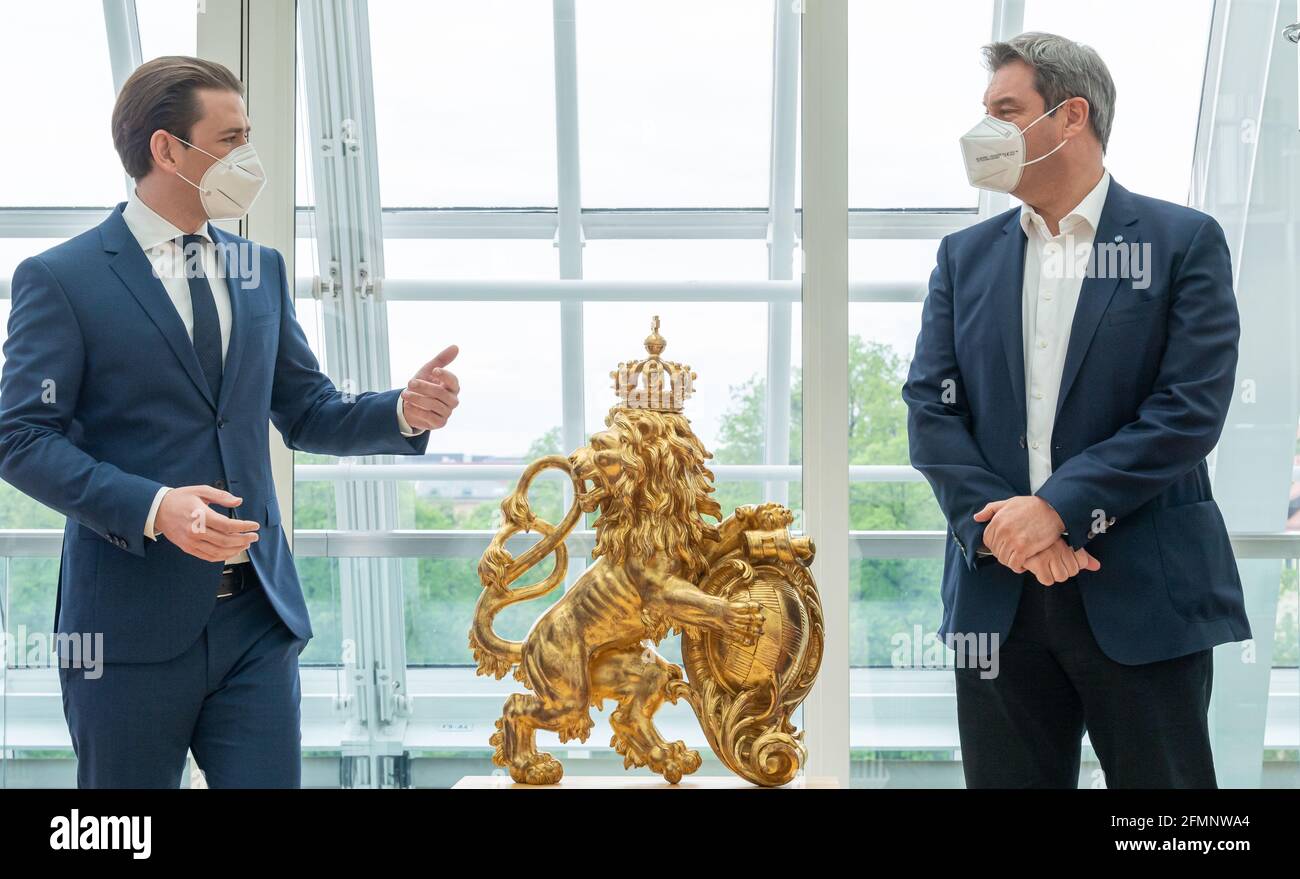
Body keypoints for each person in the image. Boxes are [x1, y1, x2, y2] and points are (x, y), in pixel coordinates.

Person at [0, 56, 461, 788]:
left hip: (256, 621)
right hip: (126, 630)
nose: (250, 157)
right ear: (166, 149)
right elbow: (20, 436)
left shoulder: (260, 270)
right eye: (231, 137)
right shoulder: (64, 279)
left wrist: (401, 411)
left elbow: (308, 410)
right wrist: (154, 507)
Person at [902, 32, 1251, 788]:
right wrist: (1008, 529)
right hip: (998, 598)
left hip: (1144, 594)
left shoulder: (1182, 242)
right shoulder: (964, 258)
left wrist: (1057, 510)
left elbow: (1188, 410)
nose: (983, 130)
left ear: (1069, 117)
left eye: (1004, 109)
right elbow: (930, 410)